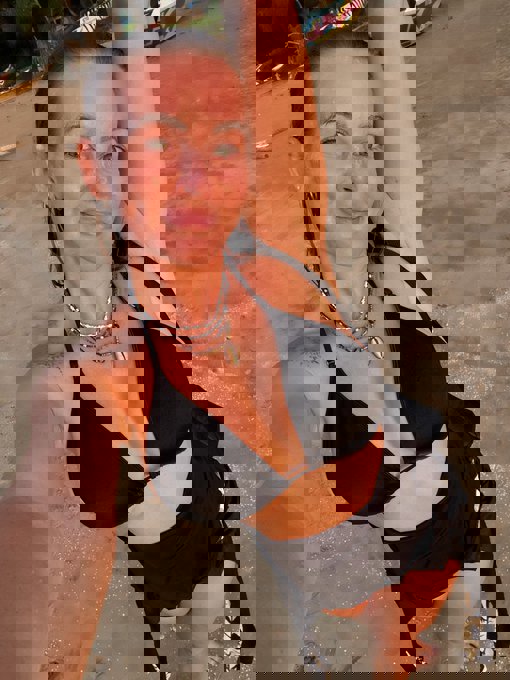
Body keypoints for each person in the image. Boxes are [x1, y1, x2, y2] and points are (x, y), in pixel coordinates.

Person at [0, 0, 497, 676]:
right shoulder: (95, 398)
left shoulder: (299, 314)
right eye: (159, 143)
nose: (198, 179)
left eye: (226, 143)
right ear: (98, 165)